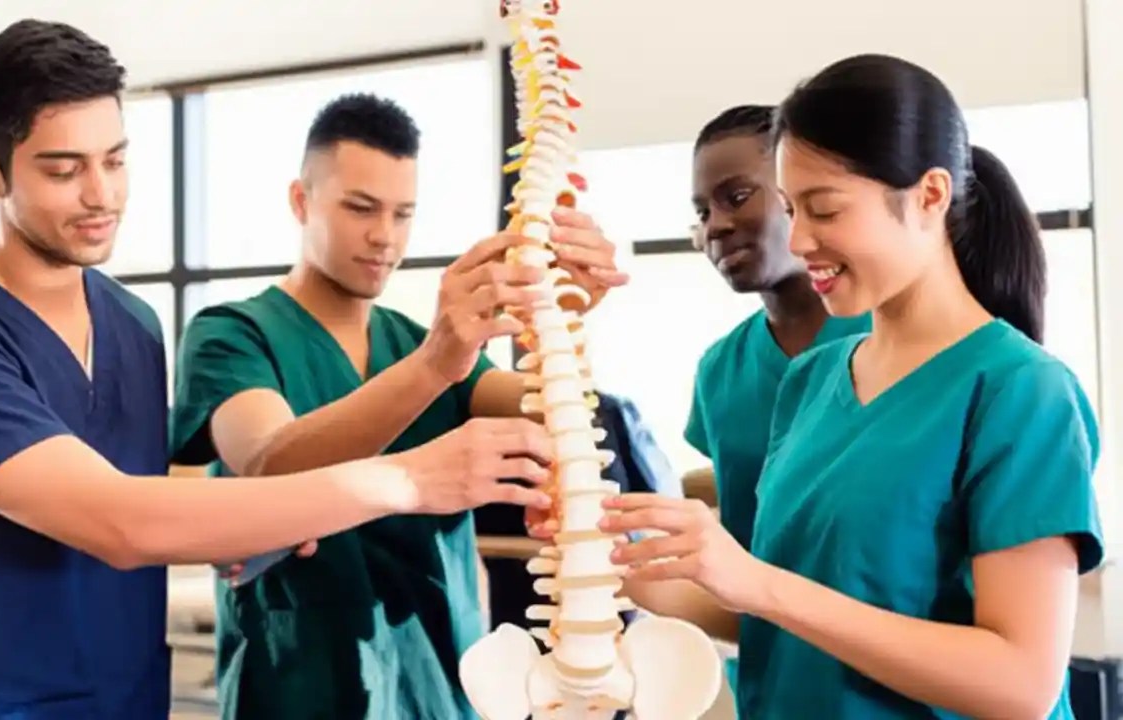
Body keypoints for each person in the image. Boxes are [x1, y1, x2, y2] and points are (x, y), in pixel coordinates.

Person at [0, 20, 554, 719]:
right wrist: (410, 478)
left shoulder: (131, 325)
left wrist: (250, 535)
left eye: (116, 159)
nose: (102, 195)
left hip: (122, 695)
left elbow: (162, 500)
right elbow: (119, 520)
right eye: (64, 169)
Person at [596, 54, 1104, 718]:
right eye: (789, 209)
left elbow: (1020, 684)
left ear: (929, 196)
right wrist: (632, 569)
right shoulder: (811, 381)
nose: (800, 239)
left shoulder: (1021, 392)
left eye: (824, 209)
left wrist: (759, 584)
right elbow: (788, 618)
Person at [168, 93, 627, 719]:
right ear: (301, 201)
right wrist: (436, 363)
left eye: (402, 214)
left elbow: (548, 416)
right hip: (298, 683)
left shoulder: (417, 343)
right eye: (360, 209)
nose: (384, 237)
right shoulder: (231, 334)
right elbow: (270, 467)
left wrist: (562, 317)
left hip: (439, 684)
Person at [676, 104, 873, 702]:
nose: (716, 225)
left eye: (738, 196)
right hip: (778, 686)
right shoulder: (720, 371)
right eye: (703, 211)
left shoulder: (892, 342)